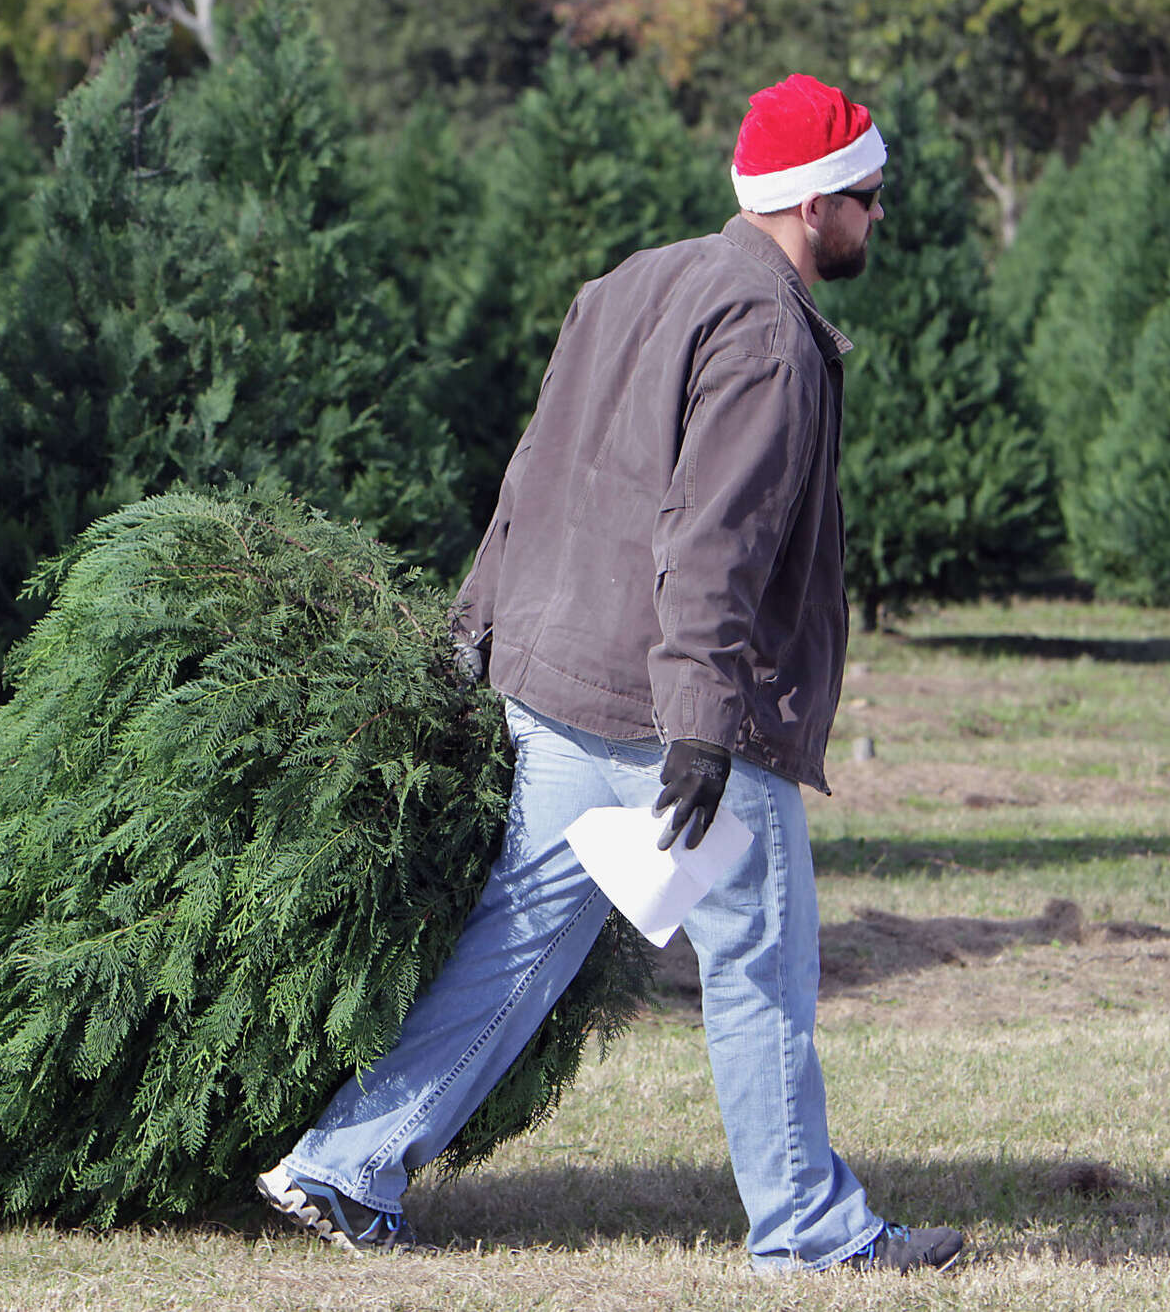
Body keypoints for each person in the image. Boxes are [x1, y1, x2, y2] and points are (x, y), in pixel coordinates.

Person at [256, 74, 966, 1274]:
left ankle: (346, 1162)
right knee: (760, 966)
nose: (878, 220)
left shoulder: (634, 280)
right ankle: (809, 1234)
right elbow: (715, 541)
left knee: (523, 938)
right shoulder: (768, 334)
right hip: (677, 721)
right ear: (813, 204)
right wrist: (700, 727)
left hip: (560, 685)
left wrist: (472, 638)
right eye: (870, 197)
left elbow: (532, 473)